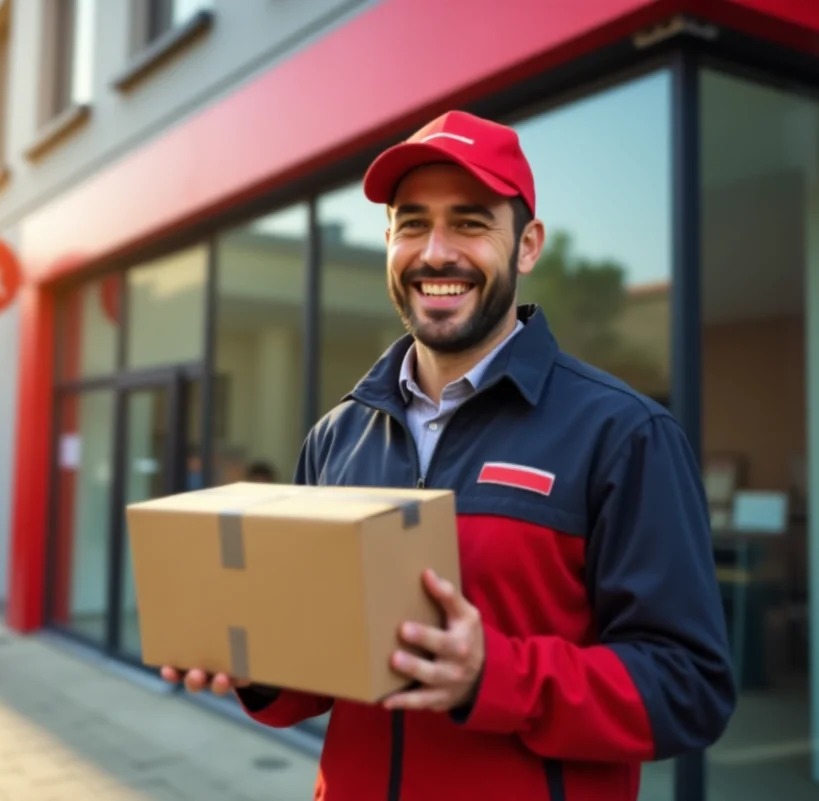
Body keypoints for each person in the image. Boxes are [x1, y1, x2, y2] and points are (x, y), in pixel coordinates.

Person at [161, 110, 735, 800]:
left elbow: (690, 687)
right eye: (411, 223)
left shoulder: (624, 432)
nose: (436, 252)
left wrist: (496, 675)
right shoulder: (337, 435)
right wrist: (249, 660)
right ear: (389, 242)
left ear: (527, 246)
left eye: (469, 222)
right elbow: (320, 672)